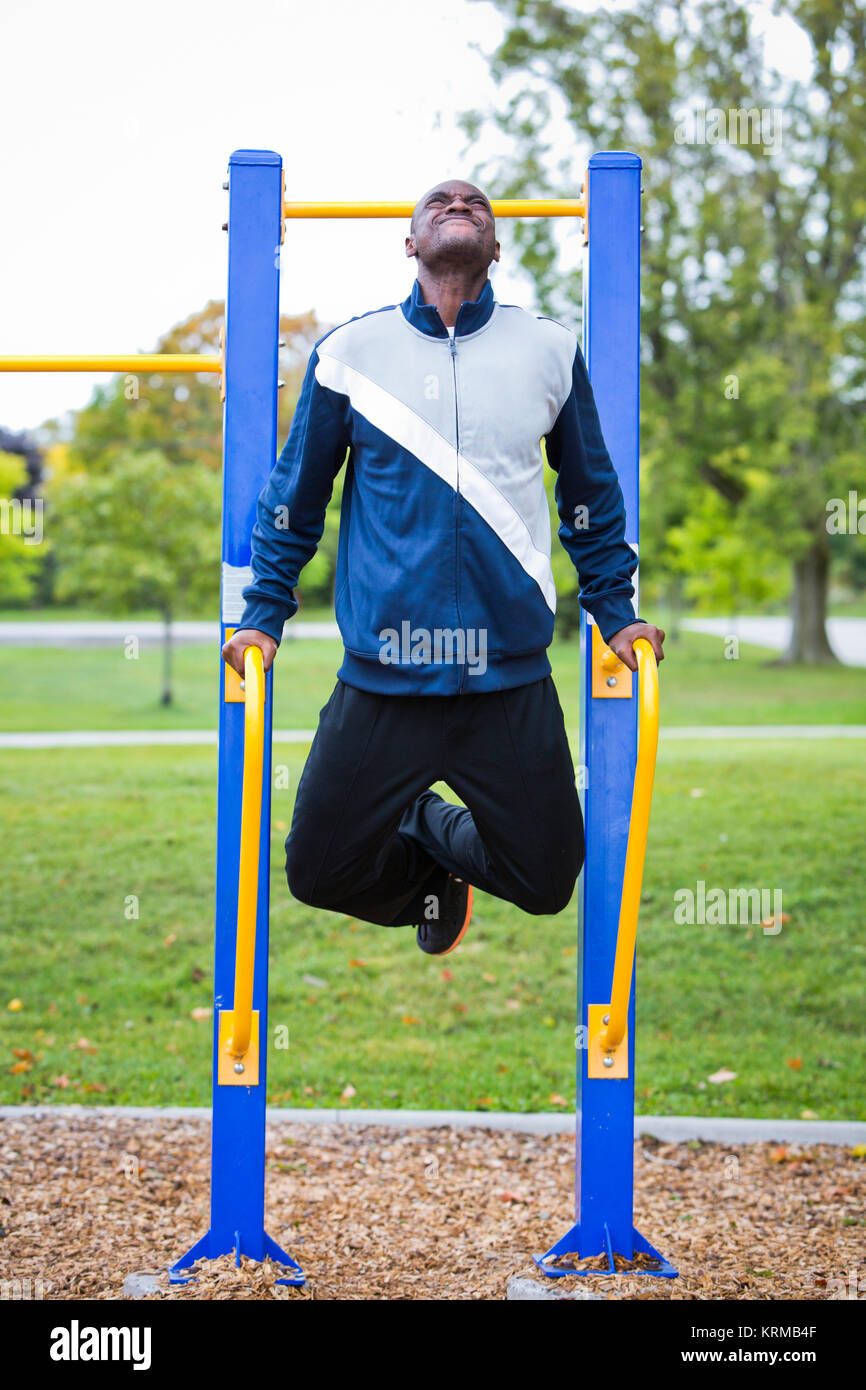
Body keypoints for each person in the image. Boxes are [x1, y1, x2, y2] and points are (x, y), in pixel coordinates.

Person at [222, 179, 665, 956]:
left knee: (546, 879)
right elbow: (294, 502)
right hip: (384, 678)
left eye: (476, 204)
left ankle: (424, 817)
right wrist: (263, 616)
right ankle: (431, 887)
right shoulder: (350, 353)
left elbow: (591, 497)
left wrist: (616, 611)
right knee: (318, 870)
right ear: (410, 243)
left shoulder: (549, 349)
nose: (459, 202)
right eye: (439, 201)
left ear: (495, 247)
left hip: (508, 681)